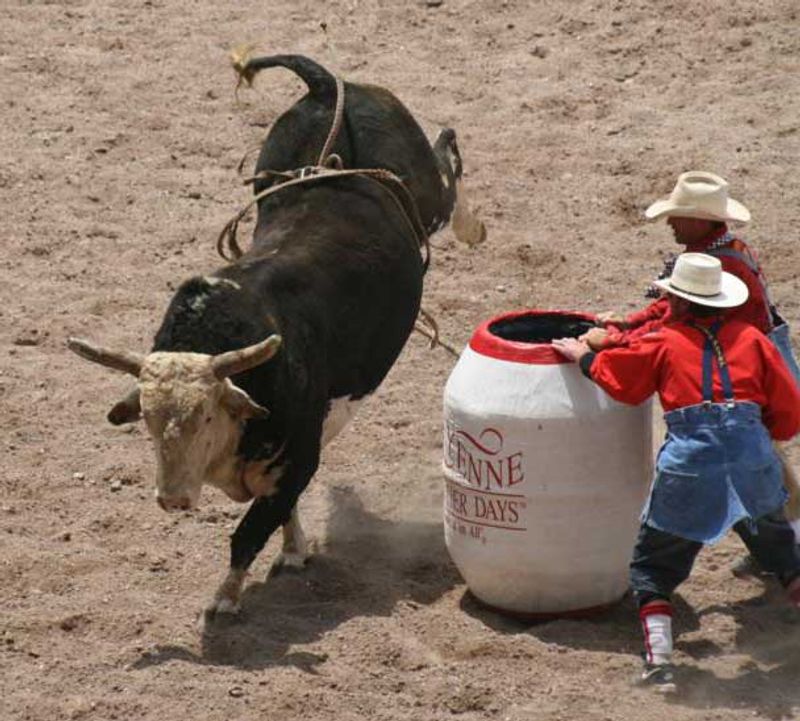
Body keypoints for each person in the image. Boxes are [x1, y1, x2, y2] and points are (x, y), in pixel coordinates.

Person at [552, 253, 800, 693]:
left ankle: (660, 661)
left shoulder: (664, 340)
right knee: (784, 558)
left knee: (653, 568)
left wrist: (582, 359)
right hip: (753, 461)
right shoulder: (752, 339)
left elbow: (623, 383)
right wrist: (758, 441)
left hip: (692, 464)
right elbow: (788, 413)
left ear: (680, 303)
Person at [583, 171, 800, 384]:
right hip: (749, 355)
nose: (670, 223)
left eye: (677, 216)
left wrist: (615, 340)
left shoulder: (721, 264)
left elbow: (675, 324)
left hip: (743, 369)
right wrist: (629, 322)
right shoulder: (726, 249)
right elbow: (671, 304)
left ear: (698, 222)